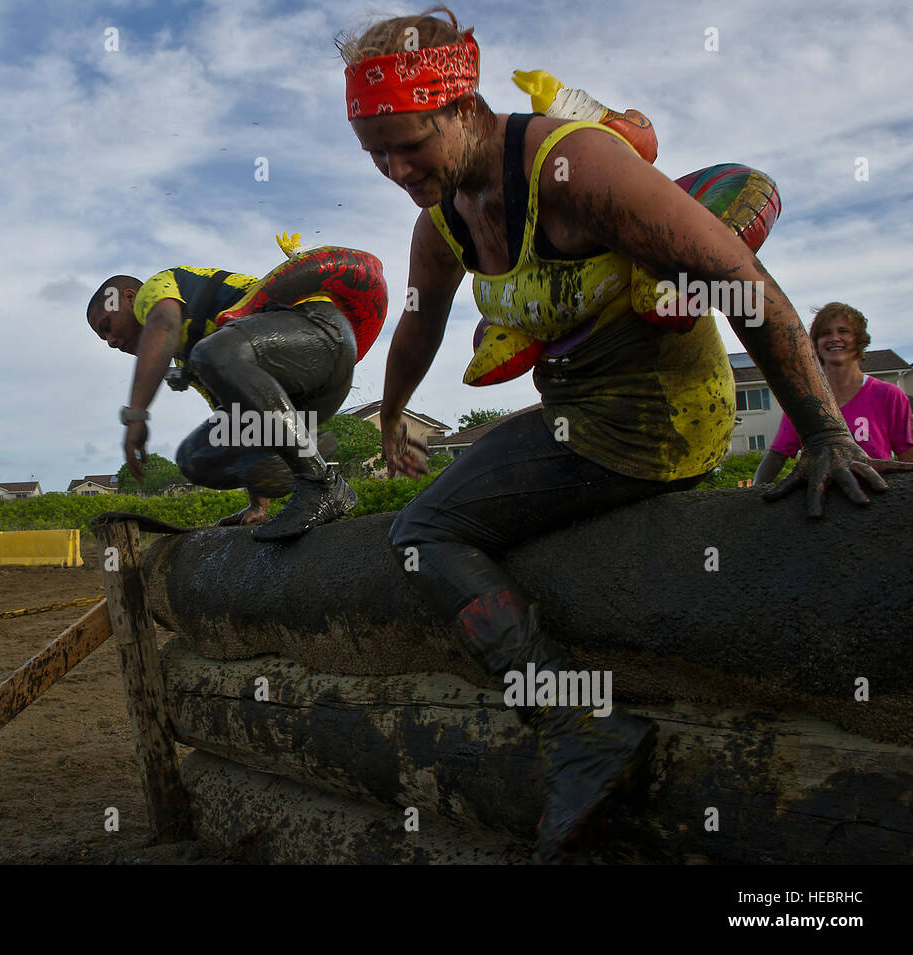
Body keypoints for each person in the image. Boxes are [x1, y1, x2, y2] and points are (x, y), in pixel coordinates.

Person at [337, 5, 913, 862]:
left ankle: (581, 723)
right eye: (374, 152)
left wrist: (824, 431)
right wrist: (388, 415)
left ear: (461, 108)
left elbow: (739, 279)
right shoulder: (446, 218)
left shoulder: (573, 168)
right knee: (442, 501)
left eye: (406, 143)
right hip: (578, 410)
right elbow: (420, 319)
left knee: (424, 529)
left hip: (661, 416)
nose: (393, 168)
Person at [86, 241, 387, 539]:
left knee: (212, 354)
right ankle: (303, 458)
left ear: (127, 298)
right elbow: (238, 415)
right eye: (103, 339)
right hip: (303, 401)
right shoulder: (200, 358)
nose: (111, 341)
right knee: (196, 457)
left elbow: (163, 325)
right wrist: (257, 505)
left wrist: (136, 414)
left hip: (320, 337)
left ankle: (321, 483)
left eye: (107, 326)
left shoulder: (157, 289)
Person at [755, 302, 913, 484]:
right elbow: (776, 456)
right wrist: (751, 498)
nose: (834, 338)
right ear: (816, 344)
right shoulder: (804, 399)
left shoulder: (889, 395)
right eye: (825, 333)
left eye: (843, 331)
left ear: (859, 340)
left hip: (875, 500)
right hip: (820, 500)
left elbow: (907, 461)